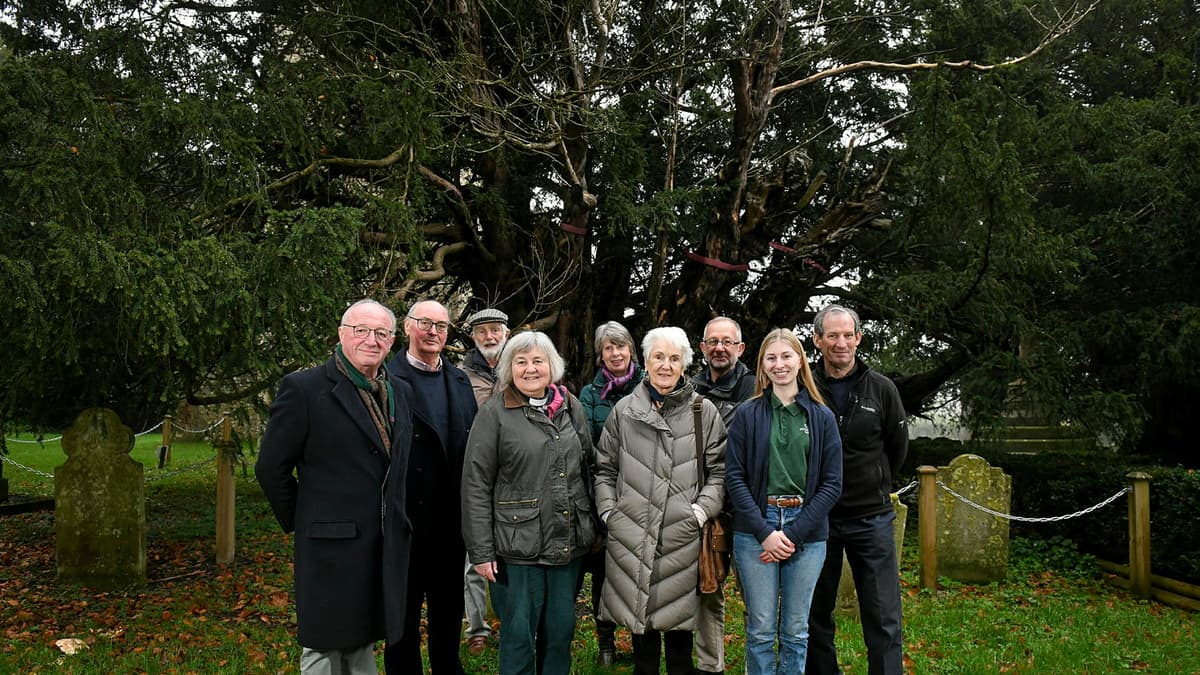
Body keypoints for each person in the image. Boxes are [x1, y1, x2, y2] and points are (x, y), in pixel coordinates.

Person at [256, 299, 413, 675]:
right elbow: (270, 468)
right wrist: (305, 518)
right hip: (328, 545)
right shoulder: (305, 388)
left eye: (381, 333)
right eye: (361, 330)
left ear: (392, 341)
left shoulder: (399, 391)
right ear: (342, 334)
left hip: (381, 542)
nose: (371, 340)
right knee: (324, 644)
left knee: (363, 639)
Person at [461, 330, 597, 675]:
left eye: (538, 361)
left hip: (567, 544)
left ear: (552, 366)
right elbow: (475, 484)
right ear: (509, 368)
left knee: (559, 633)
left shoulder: (572, 406)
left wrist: (595, 527)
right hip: (517, 548)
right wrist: (481, 551)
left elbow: (588, 465)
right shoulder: (494, 413)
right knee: (519, 637)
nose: (530, 369)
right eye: (521, 362)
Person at [594, 326, 727, 675]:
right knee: (644, 642)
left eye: (674, 358)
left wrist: (699, 512)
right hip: (633, 535)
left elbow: (720, 472)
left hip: (681, 537)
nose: (666, 365)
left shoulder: (703, 412)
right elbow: (604, 469)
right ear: (646, 362)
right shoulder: (624, 411)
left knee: (680, 641)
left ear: (684, 363)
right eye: (658, 357)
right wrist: (610, 512)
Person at [726, 328, 843, 674]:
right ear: (762, 365)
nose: (780, 364)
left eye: (786, 356)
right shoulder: (748, 414)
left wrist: (792, 536)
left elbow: (832, 483)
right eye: (771, 358)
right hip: (756, 530)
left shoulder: (821, 417)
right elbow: (735, 478)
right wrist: (765, 533)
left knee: (796, 630)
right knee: (760, 629)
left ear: (800, 361)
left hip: (805, 531)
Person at [805, 305, 908, 675]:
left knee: (882, 615)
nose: (841, 343)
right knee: (816, 612)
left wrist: (876, 481)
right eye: (832, 335)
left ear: (858, 338)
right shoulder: (804, 389)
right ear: (818, 340)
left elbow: (897, 448)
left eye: (848, 335)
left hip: (872, 518)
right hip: (819, 519)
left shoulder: (882, 389)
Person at [385, 299, 479, 675]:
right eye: (425, 323)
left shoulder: (458, 380)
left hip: (450, 521)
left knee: (447, 610)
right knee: (403, 615)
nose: (434, 332)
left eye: (441, 326)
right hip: (406, 518)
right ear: (408, 327)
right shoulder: (387, 378)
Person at [690, 316, 755, 675]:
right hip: (707, 507)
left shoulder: (757, 388)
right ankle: (709, 665)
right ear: (702, 348)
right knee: (708, 590)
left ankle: (755, 665)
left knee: (754, 598)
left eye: (727, 342)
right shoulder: (689, 389)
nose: (719, 348)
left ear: (740, 348)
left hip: (747, 508)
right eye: (712, 341)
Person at [577, 320, 645, 667]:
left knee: (639, 576)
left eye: (621, 346)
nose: (616, 353)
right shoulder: (590, 395)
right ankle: (606, 643)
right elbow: (588, 449)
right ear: (601, 354)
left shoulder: (650, 386)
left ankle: (640, 643)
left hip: (645, 495)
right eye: (609, 348)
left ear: (630, 349)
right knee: (603, 576)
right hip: (607, 495)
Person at [458, 307, 511, 655]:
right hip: (475, 475)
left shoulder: (522, 366)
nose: (490, 337)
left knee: (512, 555)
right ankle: (476, 627)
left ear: (506, 333)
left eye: (495, 330)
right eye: (482, 332)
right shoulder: (461, 376)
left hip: (514, 476)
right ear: (474, 337)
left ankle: (514, 623)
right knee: (472, 558)